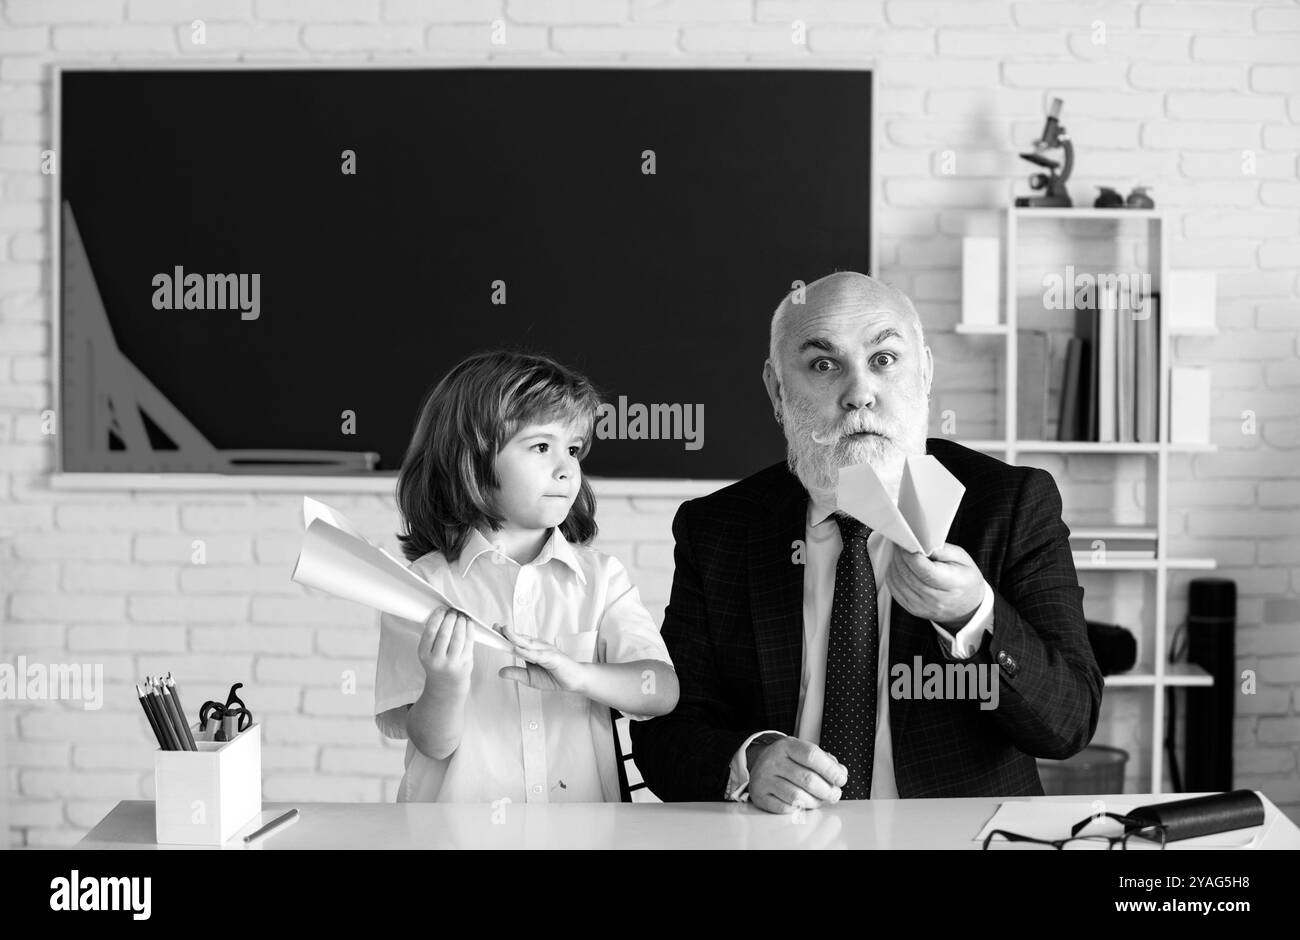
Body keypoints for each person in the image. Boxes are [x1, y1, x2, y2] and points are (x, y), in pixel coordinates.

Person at [630, 272, 1102, 813]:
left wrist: (973, 616)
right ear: (777, 390)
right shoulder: (716, 528)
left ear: (924, 372)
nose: (859, 394)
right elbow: (666, 731)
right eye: (823, 365)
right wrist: (749, 758)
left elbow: (1068, 726)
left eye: (883, 359)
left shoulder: (1010, 504)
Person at [374, 350, 678, 803]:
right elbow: (432, 744)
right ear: (471, 457)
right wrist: (445, 683)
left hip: (582, 834)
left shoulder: (600, 578)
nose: (566, 467)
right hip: (454, 836)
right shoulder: (421, 586)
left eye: (573, 449)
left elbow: (661, 691)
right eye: (541, 447)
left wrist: (577, 675)